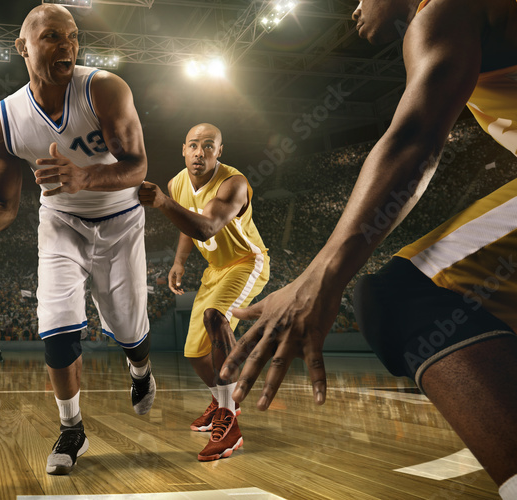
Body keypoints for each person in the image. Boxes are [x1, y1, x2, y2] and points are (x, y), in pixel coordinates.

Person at [219, 0, 517, 497]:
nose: (354, 9)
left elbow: (414, 138)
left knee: (406, 299)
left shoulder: (439, 11)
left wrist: (322, 275)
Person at [0, 4, 154, 475]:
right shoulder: (2, 122)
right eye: (54, 36)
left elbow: (138, 167)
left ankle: (140, 368)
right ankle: (72, 428)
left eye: (73, 37)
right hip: (60, 222)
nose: (68, 46)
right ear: (23, 47)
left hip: (120, 219)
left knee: (129, 327)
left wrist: (85, 179)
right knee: (57, 328)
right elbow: (0, 210)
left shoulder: (104, 88)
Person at [138, 123, 269, 461]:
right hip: (215, 269)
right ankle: (220, 400)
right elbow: (188, 222)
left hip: (245, 262)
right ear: (184, 149)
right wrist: (180, 261)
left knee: (215, 317)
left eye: (208, 146)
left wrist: (163, 203)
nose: (200, 152)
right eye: (194, 145)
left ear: (219, 151)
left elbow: (207, 225)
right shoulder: (177, 183)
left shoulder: (234, 183)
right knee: (196, 354)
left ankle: (230, 421)